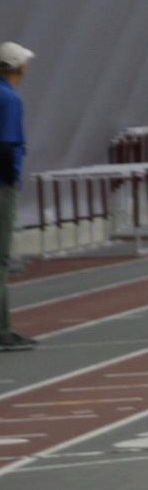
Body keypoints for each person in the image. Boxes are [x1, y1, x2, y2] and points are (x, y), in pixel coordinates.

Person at [0, 41, 36, 353]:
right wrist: (11, 180)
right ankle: (2, 330)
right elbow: (8, 145)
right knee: (1, 258)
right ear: (18, 68)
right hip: (1, 186)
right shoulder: (9, 99)